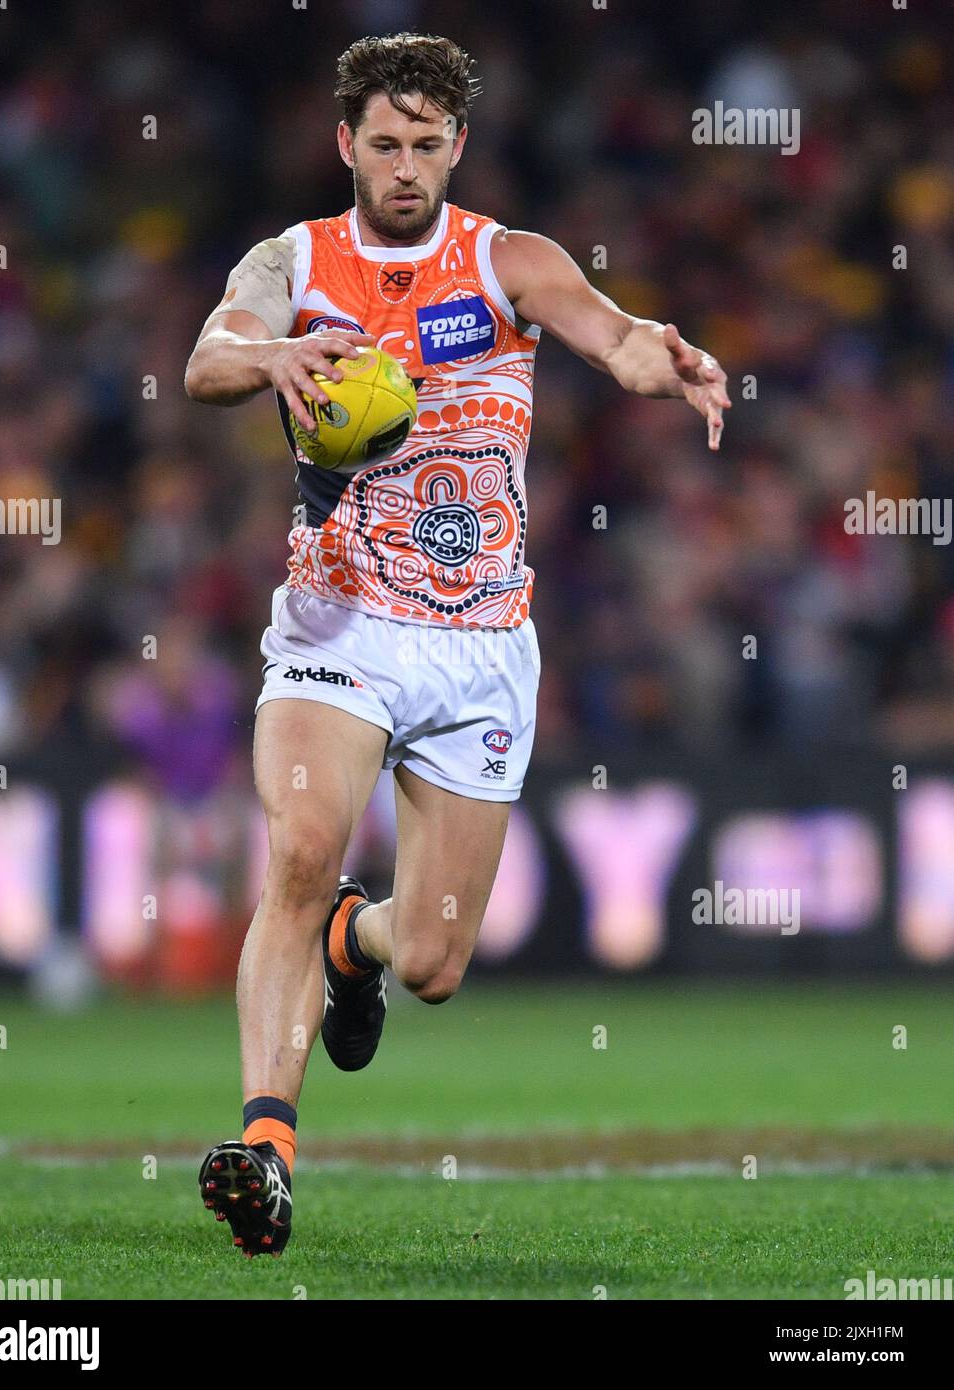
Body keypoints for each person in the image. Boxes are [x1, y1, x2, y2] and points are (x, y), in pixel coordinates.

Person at [184, 32, 730, 1257]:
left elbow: (611, 332)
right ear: (345, 144)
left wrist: (667, 359)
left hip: (482, 643)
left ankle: (352, 943)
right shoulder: (293, 260)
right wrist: (276, 354)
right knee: (303, 848)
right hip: (338, 622)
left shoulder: (504, 260)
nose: (404, 167)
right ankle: (266, 1144)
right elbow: (208, 359)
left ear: (458, 146)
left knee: (430, 956)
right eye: (383, 143)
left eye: (427, 145)